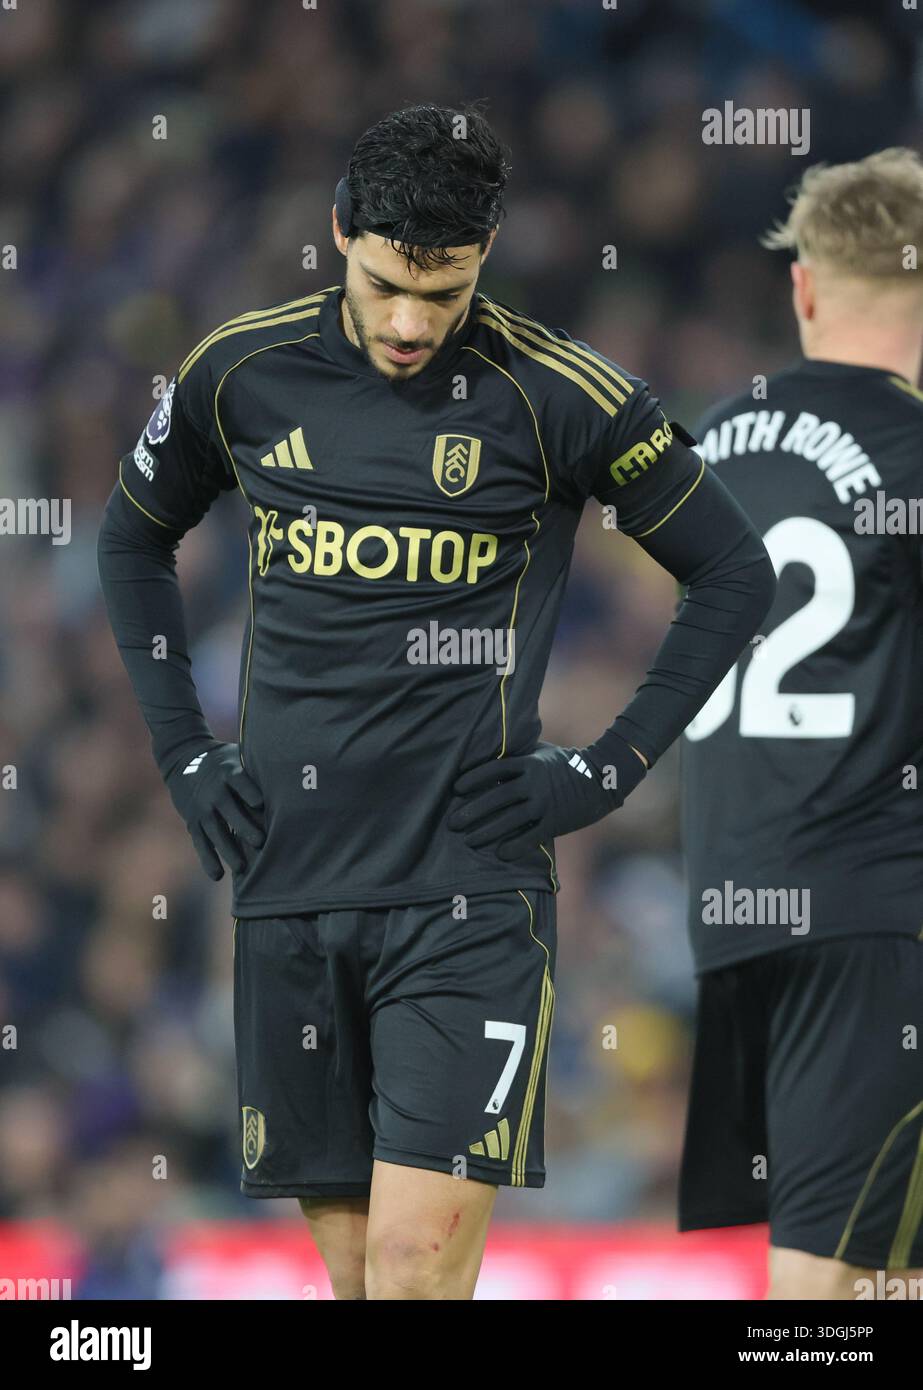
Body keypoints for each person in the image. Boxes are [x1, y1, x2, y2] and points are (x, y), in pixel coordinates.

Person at [97, 102, 774, 1300]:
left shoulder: (557, 393)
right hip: (291, 883)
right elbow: (130, 542)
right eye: (384, 286)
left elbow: (733, 567)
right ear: (339, 234)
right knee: (362, 1275)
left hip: (466, 891)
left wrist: (607, 767)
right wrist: (182, 755)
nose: (411, 324)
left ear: (487, 255)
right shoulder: (239, 372)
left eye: (444, 292)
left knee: (412, 1268)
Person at [680, 148, 923, 1300]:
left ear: (804, 287)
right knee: (828, 1281)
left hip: (736, 905)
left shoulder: (710, 442)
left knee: (886, 1268)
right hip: (873, 910)